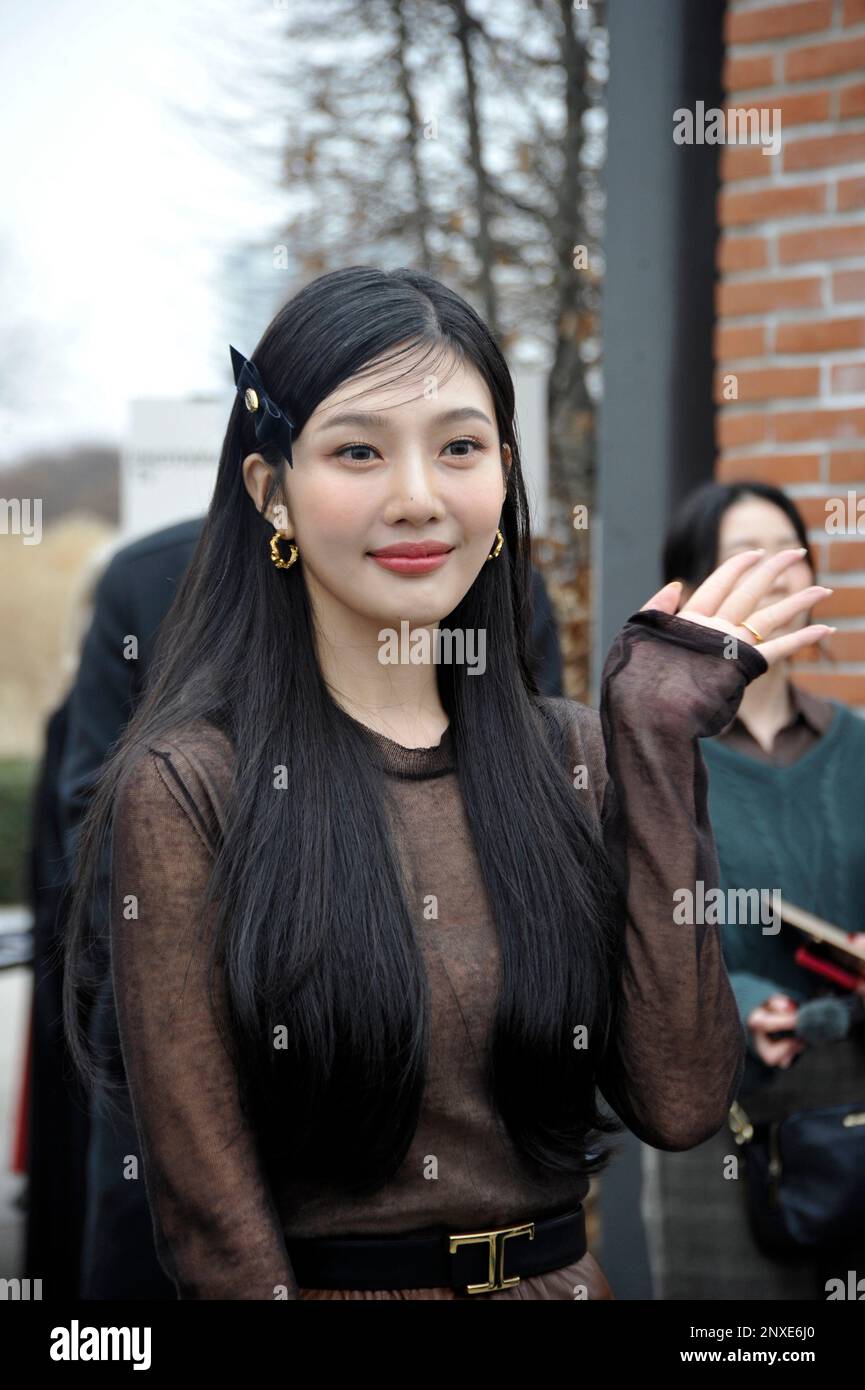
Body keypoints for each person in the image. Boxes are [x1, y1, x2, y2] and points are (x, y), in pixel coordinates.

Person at [62, 267, 828, 1301]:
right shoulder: (191, 786)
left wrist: (651, 741)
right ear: (270, 490)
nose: (417, 496)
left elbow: (683, 1101)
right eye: (358, 450)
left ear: (504, 477)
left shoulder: (571, 757)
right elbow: (210, 1228)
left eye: (459, 447)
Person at [57, 514, 562, 1300]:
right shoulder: (150, 577)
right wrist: (199, 1002)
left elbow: (526, 818)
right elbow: (92, 821)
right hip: (178, 1052)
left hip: (442, 1090)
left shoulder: (496, 586)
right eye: (354, 446)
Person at [642, 480, 865, 1300]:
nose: (772, 573)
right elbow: (640, 939)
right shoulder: (657, 760)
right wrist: (741, 1000)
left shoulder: (858, 748)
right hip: (716, 1117)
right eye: (746, 553)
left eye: (788, 551)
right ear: (699, 585)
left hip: (852, 1096)